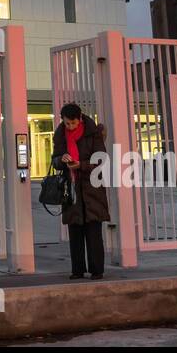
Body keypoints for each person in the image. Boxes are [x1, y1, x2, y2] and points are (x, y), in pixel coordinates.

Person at [51, 102, 109, 279]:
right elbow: (54, 161)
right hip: (71, 187)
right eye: (67, 123)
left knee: (93, 230)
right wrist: (63, 159)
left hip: (92, 186)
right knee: (75, 231)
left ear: (80, 119)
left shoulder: (93, 133)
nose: (69, 126)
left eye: (72, 123)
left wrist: (81, 165)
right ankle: (77, 270)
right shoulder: (60, 134)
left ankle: (96, 270)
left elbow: (101, 159)